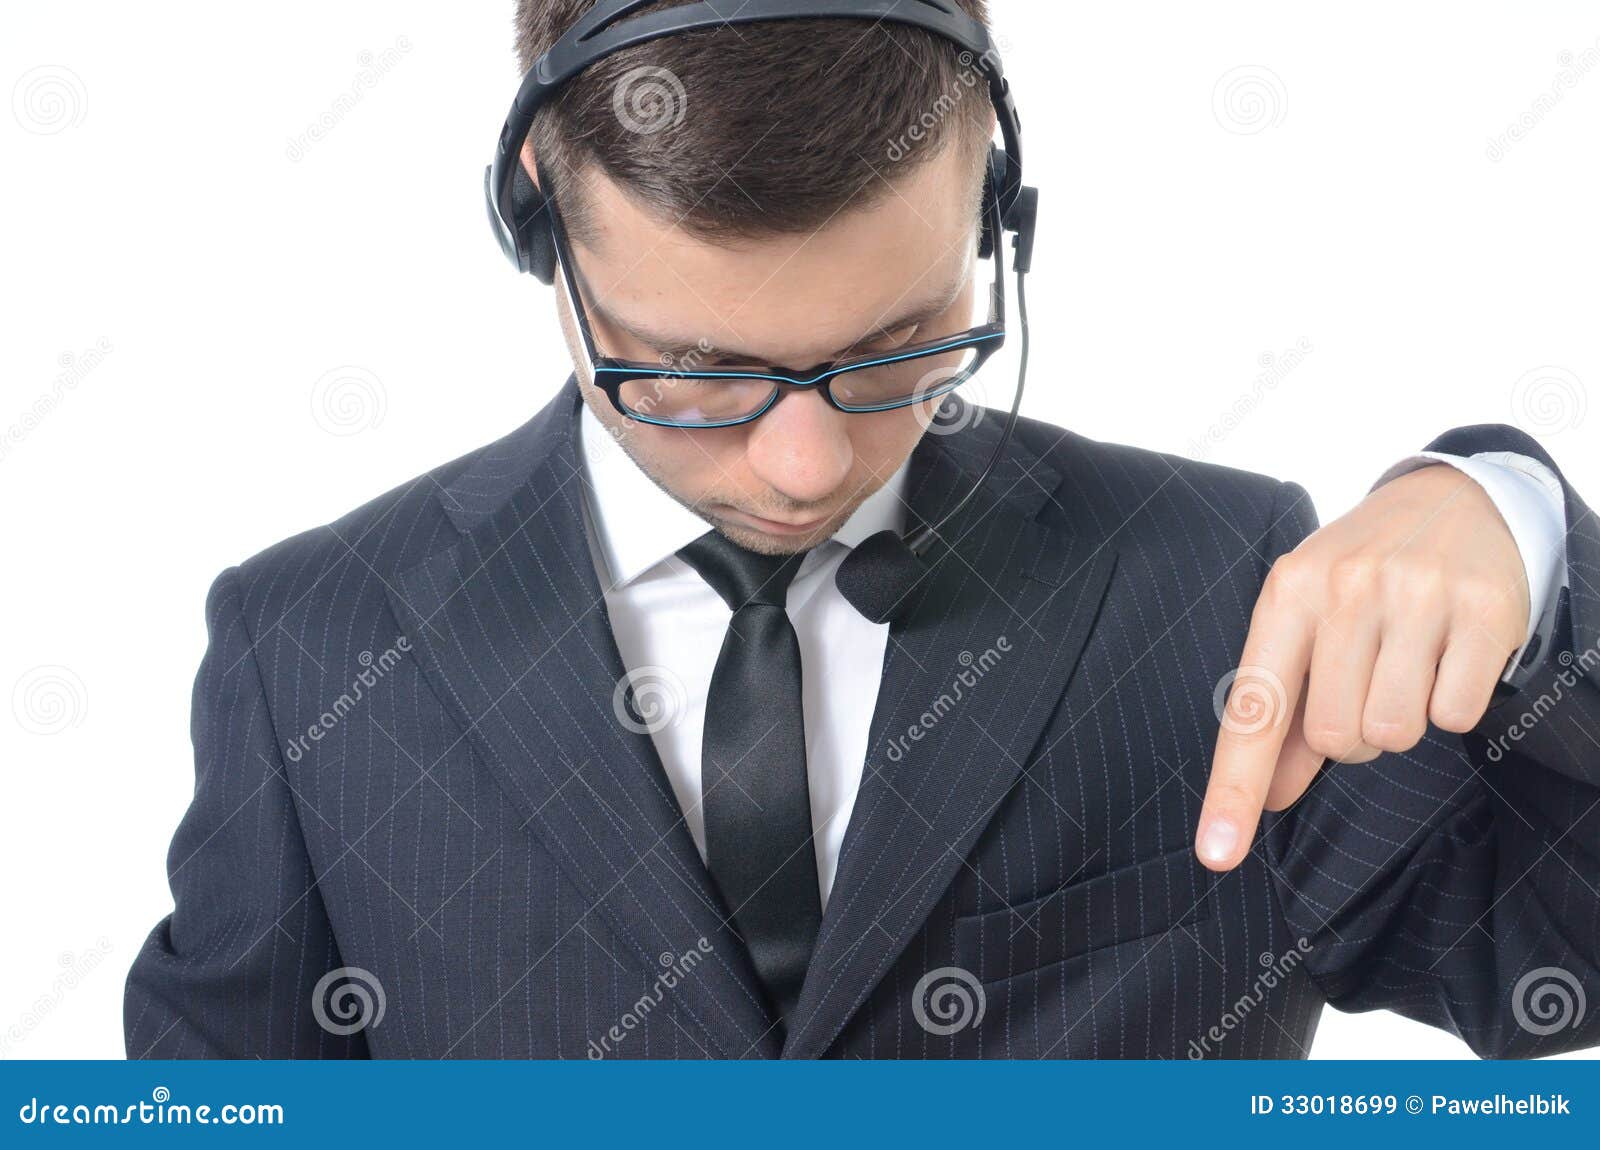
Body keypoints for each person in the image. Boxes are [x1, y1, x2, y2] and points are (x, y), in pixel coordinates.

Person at [125, 0, 1598, 1059]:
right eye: (697, 371)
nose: (804, 463)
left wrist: (1523, 537)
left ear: (995, 209)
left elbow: (1562, 961)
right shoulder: (309, 647)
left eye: (899, 343)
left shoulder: (1216, 584)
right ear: (539, 229)